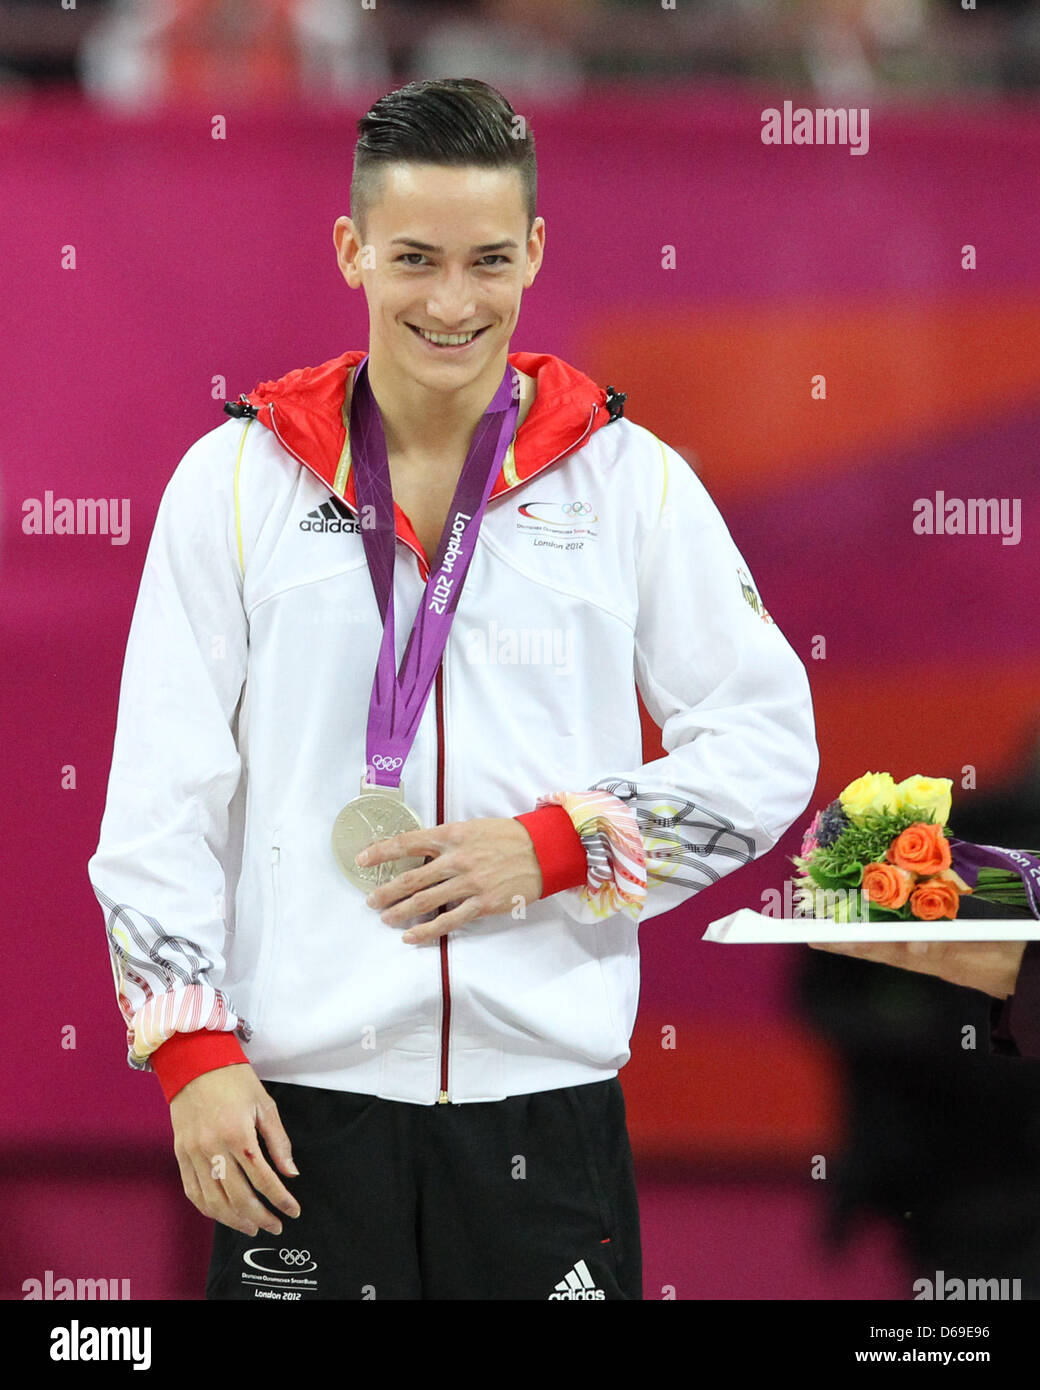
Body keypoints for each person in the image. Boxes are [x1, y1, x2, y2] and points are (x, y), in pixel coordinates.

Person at [87, 77, 819, 1301]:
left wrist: (556, 846)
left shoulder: (625, 484)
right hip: (298, 1114)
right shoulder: (233, 483)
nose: (450, 302)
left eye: (486, 260)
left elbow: (763, 745)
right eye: (414, 257)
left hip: (545, 1113)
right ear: (352, 249)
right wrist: (190, 1048)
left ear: (533, 249)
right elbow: (163, 794)